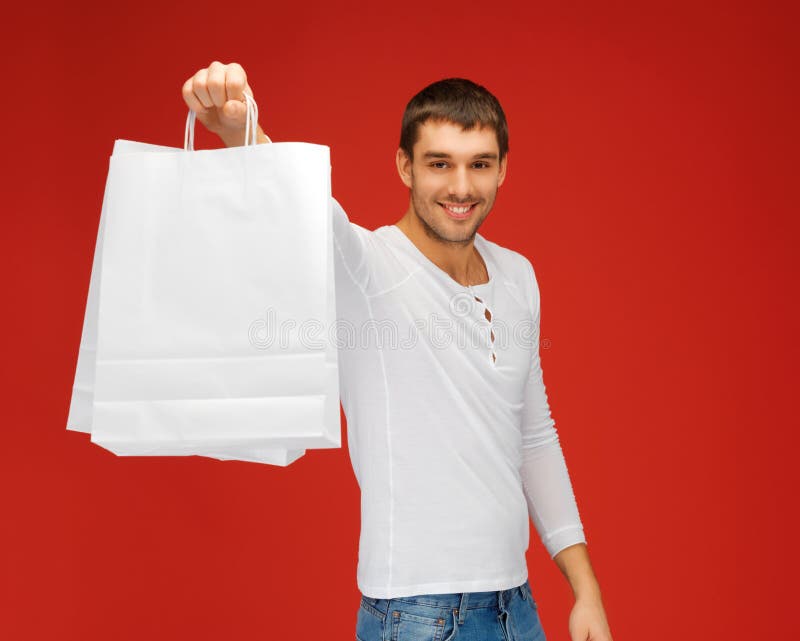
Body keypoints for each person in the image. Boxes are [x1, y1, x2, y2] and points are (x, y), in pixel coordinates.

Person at [181, 61, 614, 641]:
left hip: (517, 607)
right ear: (405, 166)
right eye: (440, 164)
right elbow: (310, 213)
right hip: (416, 616)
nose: (461, 187)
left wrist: (585, 589)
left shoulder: (519, 277)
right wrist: (241, 132)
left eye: (479, 164)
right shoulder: (370, 268)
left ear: (503, 169)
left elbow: (533, 434)